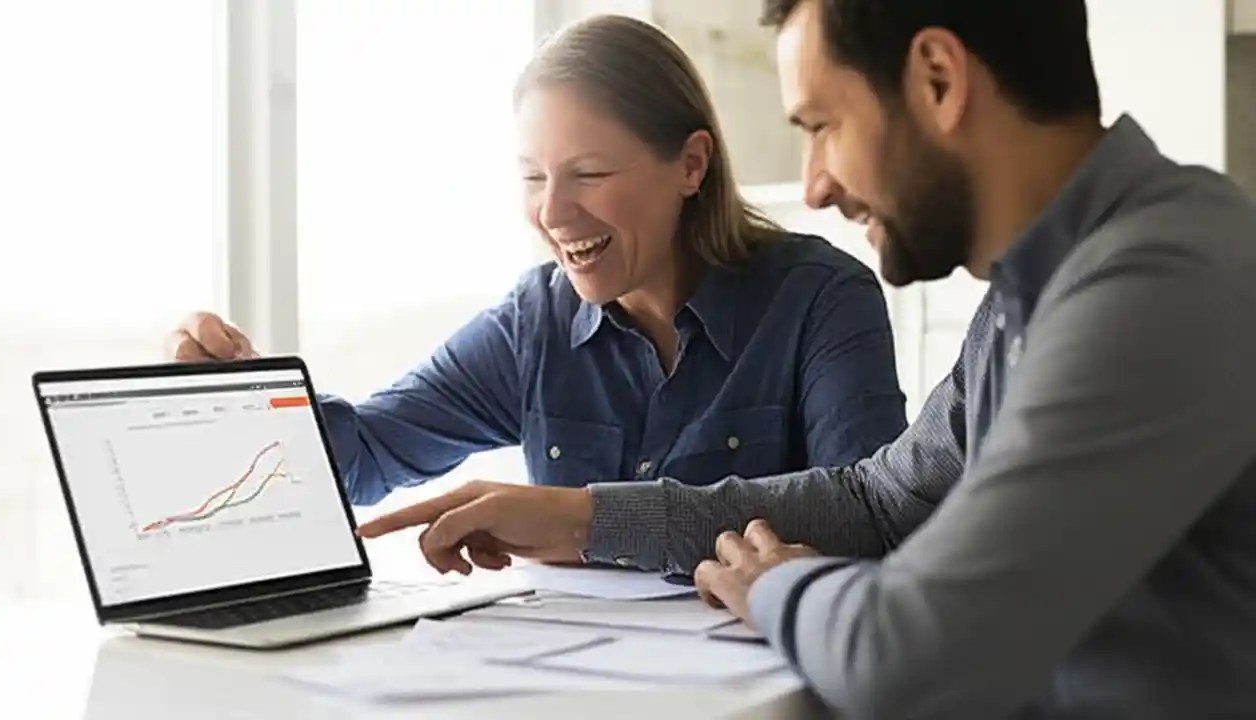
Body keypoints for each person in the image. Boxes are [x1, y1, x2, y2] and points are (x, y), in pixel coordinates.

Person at [357, 0, 1256, 717]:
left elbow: (906, 660)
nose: (816, 183)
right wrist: (591, 519)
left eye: (822, 125)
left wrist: (783, 587)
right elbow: (880, 498)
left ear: (939, 79)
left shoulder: (1160, 282)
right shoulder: (1036, 293)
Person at [168, 13, 909, 565]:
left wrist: (579, 518)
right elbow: (362, 457)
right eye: (532, 177)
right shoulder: (535, 324)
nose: (553, 214)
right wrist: (239, 398)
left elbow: (870, 518)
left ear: (691, 166)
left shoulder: (822, 299)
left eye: (589, 174)